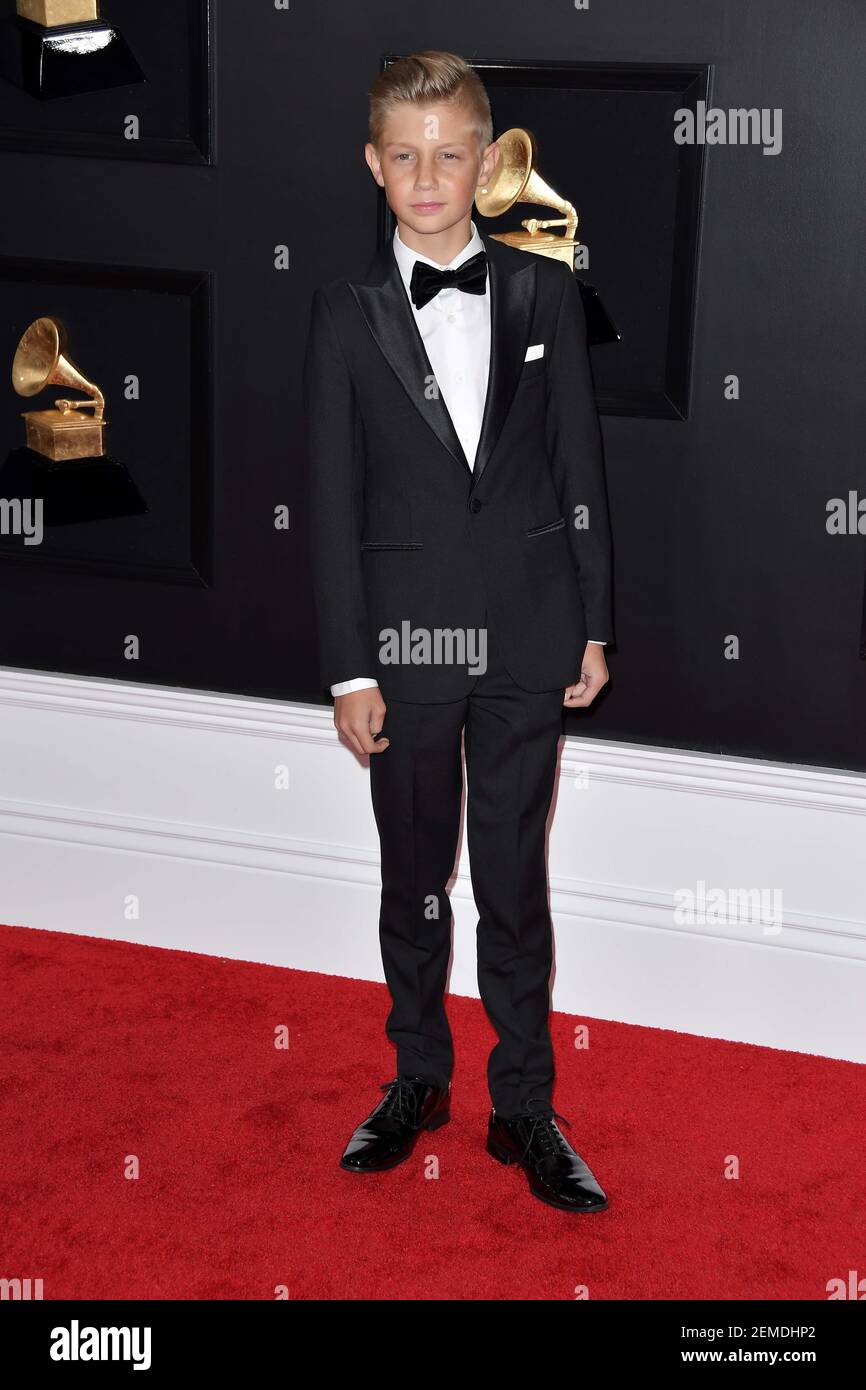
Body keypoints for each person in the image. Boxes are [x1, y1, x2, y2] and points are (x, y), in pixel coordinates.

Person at [303, 50, 614, 1212]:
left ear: (485, 163)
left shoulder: (541, 291)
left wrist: (592, 621)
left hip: (532, 632)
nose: (427, 177)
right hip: (402, 648)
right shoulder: (342, 314)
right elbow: (329, 505)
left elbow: (578, 466)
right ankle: (417, 1079)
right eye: (404, 156)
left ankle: (524, 1106)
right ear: (373, 164)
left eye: (449, 155)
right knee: (413, 878)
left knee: (513, 883)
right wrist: (347, 667)